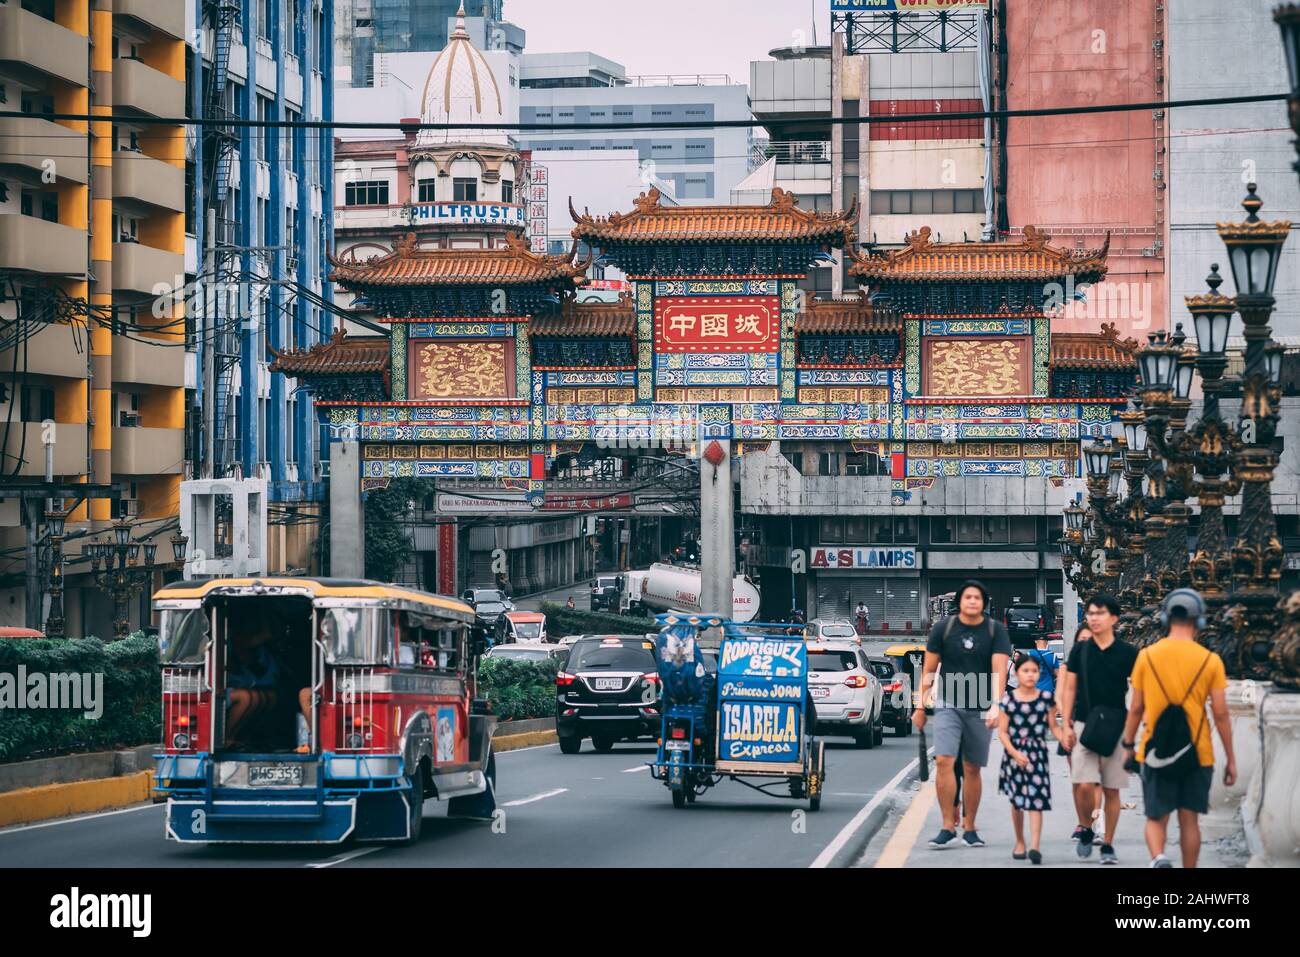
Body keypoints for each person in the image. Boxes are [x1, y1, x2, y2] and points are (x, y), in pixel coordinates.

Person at [1121, 589, 1235, 869]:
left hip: (1155, 750)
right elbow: (1220, 713)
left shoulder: (1147, 657)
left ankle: (1158, 857)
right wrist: (1231, 758)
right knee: (1190, 821)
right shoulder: (1210, 660)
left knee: (1156, 817)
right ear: (1199, 621)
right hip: (1198, 751)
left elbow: (1136, 708)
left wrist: (1127, 745)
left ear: (1165, 618)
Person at [914, 579, 1012, 848]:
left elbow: (999, 670)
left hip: (981, 705)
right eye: (967, 597)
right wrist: (921, 705)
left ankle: (969, 826)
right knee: (944, 760)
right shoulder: (943, 629)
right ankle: (947, 825)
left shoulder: (995, 631)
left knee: (972, 767)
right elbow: (929, 669)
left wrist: (996, 705)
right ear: (960, 601)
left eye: (977, 598)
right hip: (948, 703)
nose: (972, 601)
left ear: (984, 603)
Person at [1057, 594, 1137, 864]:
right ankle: (1086, 826)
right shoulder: (1081, 649)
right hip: (1083, 723)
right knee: (1083, 784)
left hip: (1116, 725)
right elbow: (1069, 687)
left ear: (1113, 618)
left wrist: (1135, 731)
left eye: (1099, 613)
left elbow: (1138, 690)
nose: (1093, 618)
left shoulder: (1128, 652)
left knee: (1112, 789)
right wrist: (1066, 723)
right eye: (1090, 613)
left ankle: (1108, 845)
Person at [997, 655, 1067, 864]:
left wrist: (1064, 738)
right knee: (1017, 802)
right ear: (1016, 674)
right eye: (1025, 671)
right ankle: (1020, 841)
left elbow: (1053, 726)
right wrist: (1014, 753)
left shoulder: (1046, 699)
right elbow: (1002, 732)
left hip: (1037, 754)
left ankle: (1035, 846)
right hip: (1014, 754)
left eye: (1034, 671)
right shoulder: (1008, 700)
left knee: (1036, 801)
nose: (1030, 675)